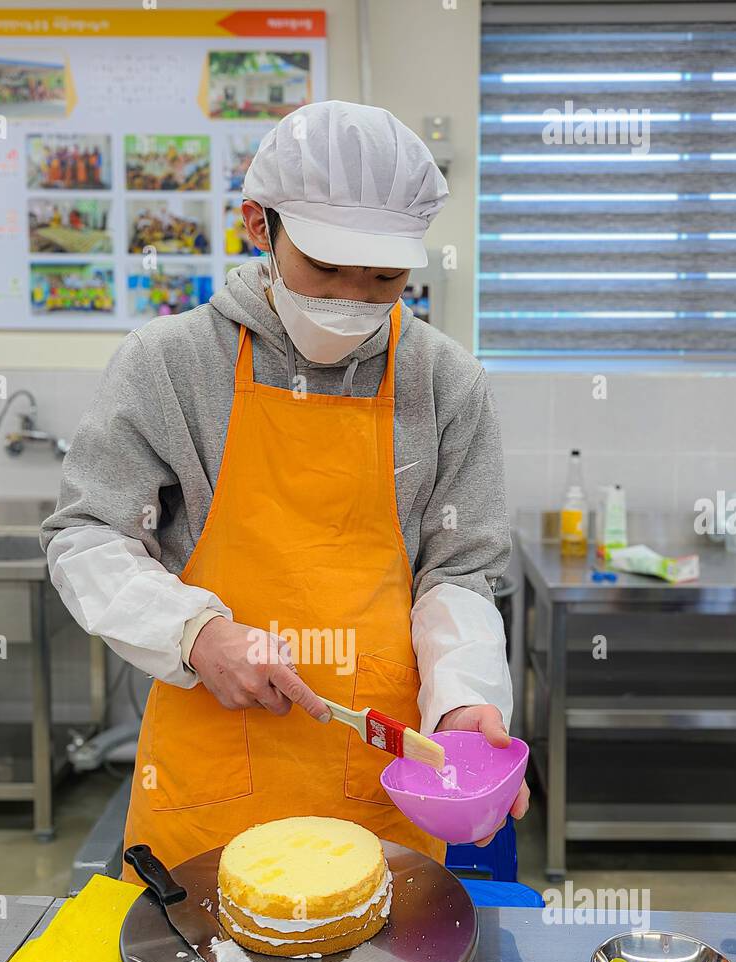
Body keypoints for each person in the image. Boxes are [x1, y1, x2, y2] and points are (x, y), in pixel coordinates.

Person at [43, 100, 529, 875]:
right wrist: (194, 634)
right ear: (257, 225)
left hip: (380, 771)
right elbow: (88, 536)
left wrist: (466, 702)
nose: (353, 298)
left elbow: (458, 570)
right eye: (327, 267)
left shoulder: (444, 382)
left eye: (383, 277)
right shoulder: (170, 364)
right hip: (210, 771)